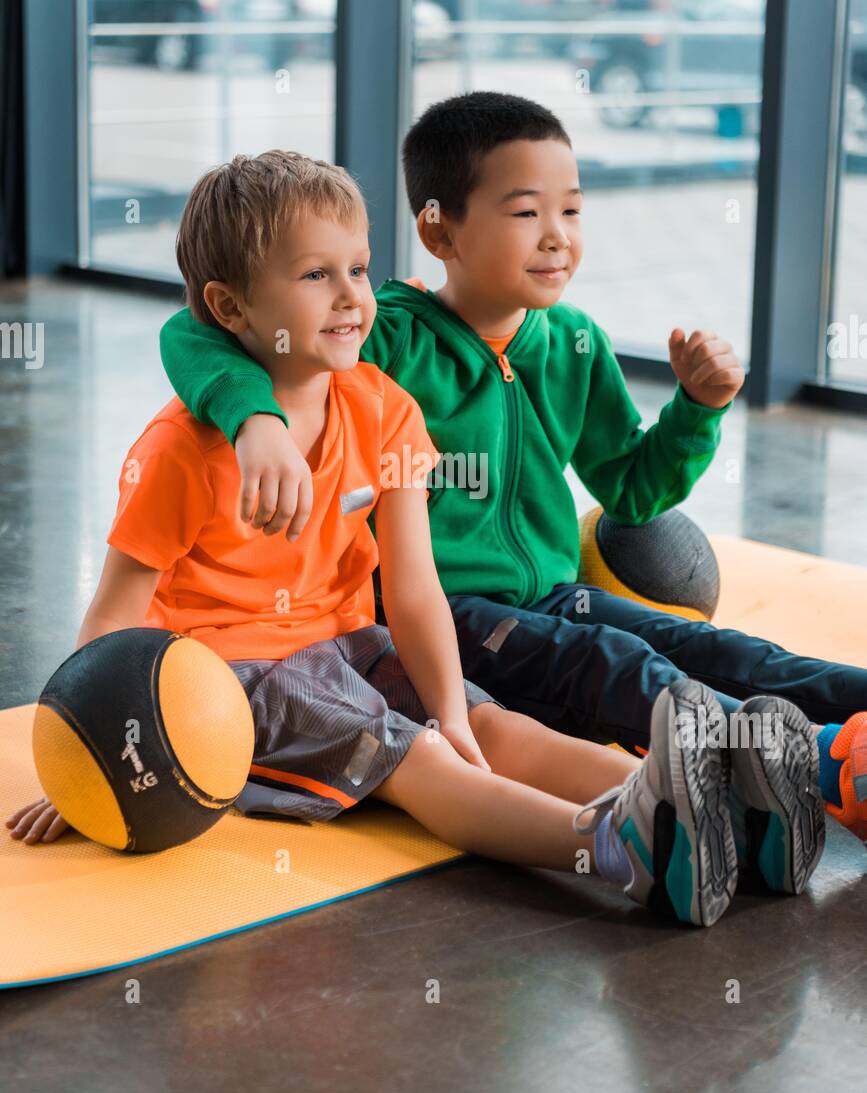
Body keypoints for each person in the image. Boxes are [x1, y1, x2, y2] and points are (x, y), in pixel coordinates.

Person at [6, 150, 826, 927]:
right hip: (232, 682)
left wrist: (451, 707)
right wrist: (89, 758)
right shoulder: (180, 449)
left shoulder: (384, 408)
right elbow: (114, 620)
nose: (350, 297)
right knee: (419, 763)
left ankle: (722, 803)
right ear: (229, 308)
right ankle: (619, 849)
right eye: (314, 275)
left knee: (498, 731)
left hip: (353, 639)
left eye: (357, 269)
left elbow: (412, 586)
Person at [155, 93, 867, 847]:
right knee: (611, 662)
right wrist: (253, 417)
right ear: (438, 228)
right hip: (434, 614)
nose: (556, 238)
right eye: (526, 213)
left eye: (572, 211)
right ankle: (819, 768)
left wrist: (695, 409)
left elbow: (630, 489)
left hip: (553, 594)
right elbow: (192, 330)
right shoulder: (383, 333)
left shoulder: (574, 344)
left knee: (704, 646)